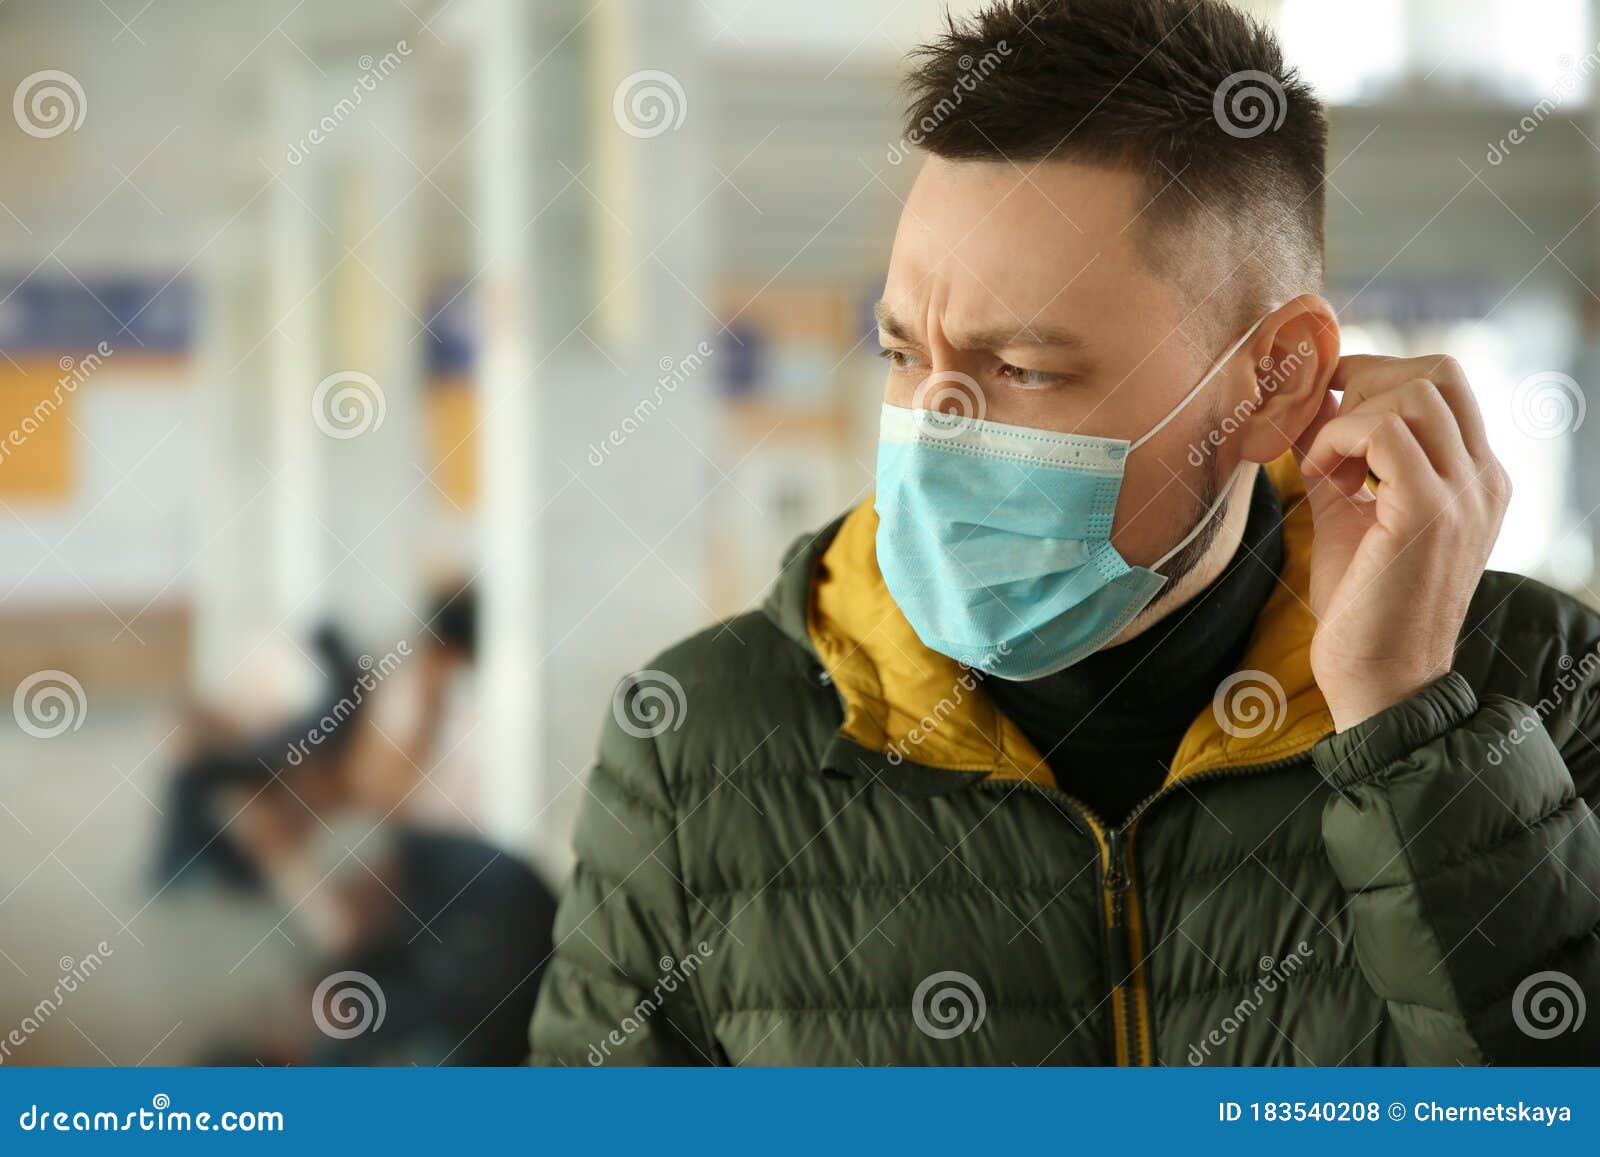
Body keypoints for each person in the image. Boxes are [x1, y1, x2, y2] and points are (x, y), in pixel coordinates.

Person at [531, 0, 1600, 1065]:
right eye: (904, 353)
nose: (934, 429)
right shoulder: (696, 747)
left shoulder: (1543, 690)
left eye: (1024, 369)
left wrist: (1411, 733)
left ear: (1274, 383)